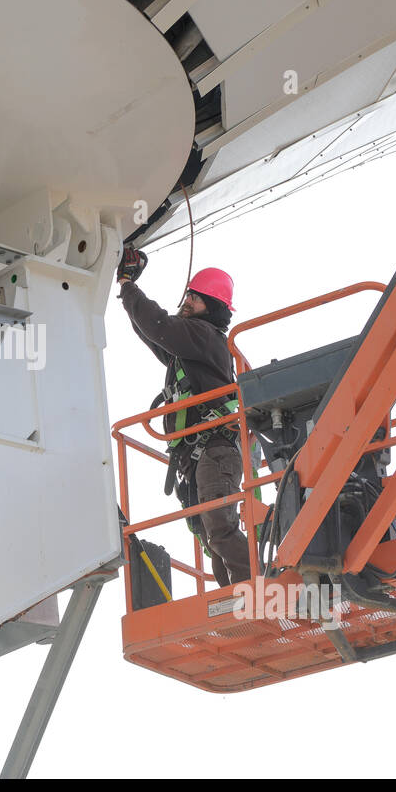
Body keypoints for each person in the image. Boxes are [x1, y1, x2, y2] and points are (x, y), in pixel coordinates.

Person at [118, 250, 251, 585]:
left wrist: (129, 285)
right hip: (197, 457)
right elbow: (151, 331)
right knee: (212, 538)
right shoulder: (191, 350)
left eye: (197, 298)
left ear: (214, 308)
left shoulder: (204, 337)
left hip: (214, 451)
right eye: (189, 295)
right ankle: (234, 597)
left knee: (219, 530)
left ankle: (258, 587)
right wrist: (126, 291)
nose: (188, 300)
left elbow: (159, 325)